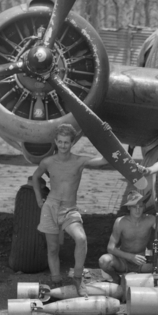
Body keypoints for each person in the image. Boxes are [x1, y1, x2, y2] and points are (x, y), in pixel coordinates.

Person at [32, 124, 109, 296]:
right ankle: (56, 281)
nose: (63, 145)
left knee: (81, 238)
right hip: (50, 207)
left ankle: (78, 278)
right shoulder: (48, 162)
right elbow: (36, 176)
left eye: (66, 142)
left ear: (72, 143)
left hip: (69, 210)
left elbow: (104, 160)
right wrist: (38, 198)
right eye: (60, 142)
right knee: (52, 249)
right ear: (55, 142)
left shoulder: (79, 161)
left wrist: (106, 134)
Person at [98, 190, 158, 284]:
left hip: (142, 260)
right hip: (123, 260)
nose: (138, 210)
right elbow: (110, 248)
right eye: (134, 207)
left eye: (140, 206)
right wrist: (131, 257)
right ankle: (116, 278)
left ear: (144, 206)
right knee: (104, 261)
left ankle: (154, 284)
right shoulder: (120, 222)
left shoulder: (150, 219)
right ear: (129, 207)